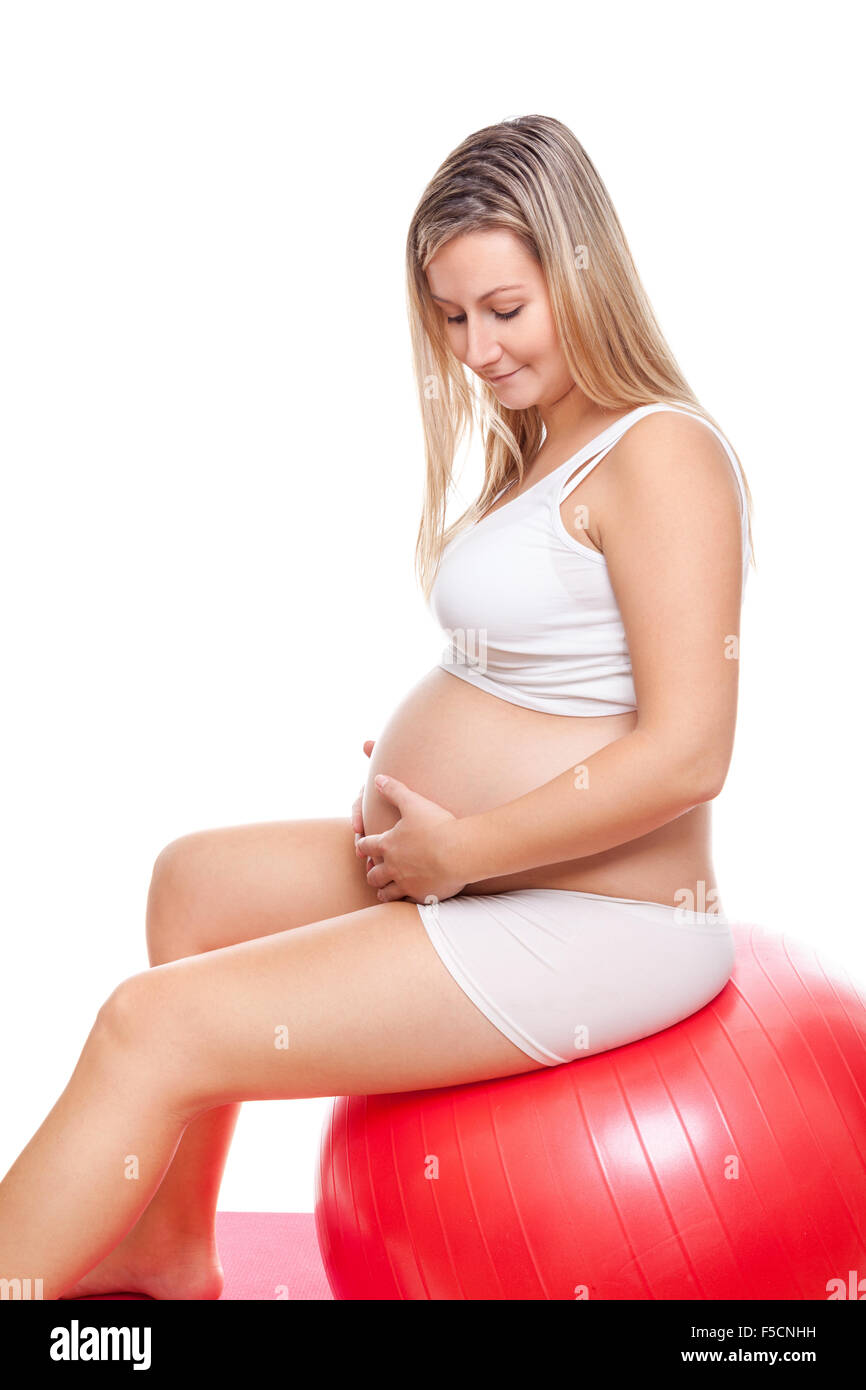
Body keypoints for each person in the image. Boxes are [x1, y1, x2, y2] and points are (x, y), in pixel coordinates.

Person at [0, 114, 756, 1301]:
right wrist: (449, 753)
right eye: (451, 318)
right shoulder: (546, 447)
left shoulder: (659, 453)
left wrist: (462, 841)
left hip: (598, 921)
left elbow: (686, 754)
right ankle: (171, 1247)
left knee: (154, 1027)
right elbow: (544, 682)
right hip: (501, 873)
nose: (477, 350)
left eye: (504, 309)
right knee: (192, 885)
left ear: (584, 272)